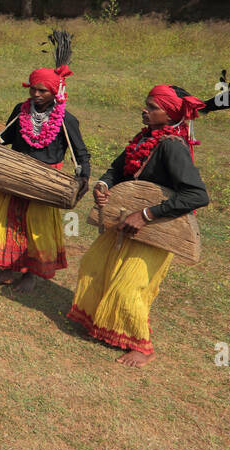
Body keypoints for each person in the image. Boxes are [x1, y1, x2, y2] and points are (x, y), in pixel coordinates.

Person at [67, 85, 209, 366]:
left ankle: (142, 347)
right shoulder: (146, 137)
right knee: (95, 266)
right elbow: (118, 169)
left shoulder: (171, 146)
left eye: (152, 107)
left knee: (129, 287)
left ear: (168, 114)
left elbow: (197, 195)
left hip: (156, 228)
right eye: (146, 105)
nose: (144, 110)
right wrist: (104, 185)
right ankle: (103, 324)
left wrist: (146, 215)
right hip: (126, 220)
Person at [0, 64, 91, 292]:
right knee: (8, 221)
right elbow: (5, 137)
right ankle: (7, 271)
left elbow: (80, 154)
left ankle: (32, 274)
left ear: (55, 92)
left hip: (45, 180)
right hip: (14, 174)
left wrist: (84, 178)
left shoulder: (67, 120)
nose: (36, 95)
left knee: (37, 226)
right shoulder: (21, 110)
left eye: (42, 91)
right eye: (33, 90)